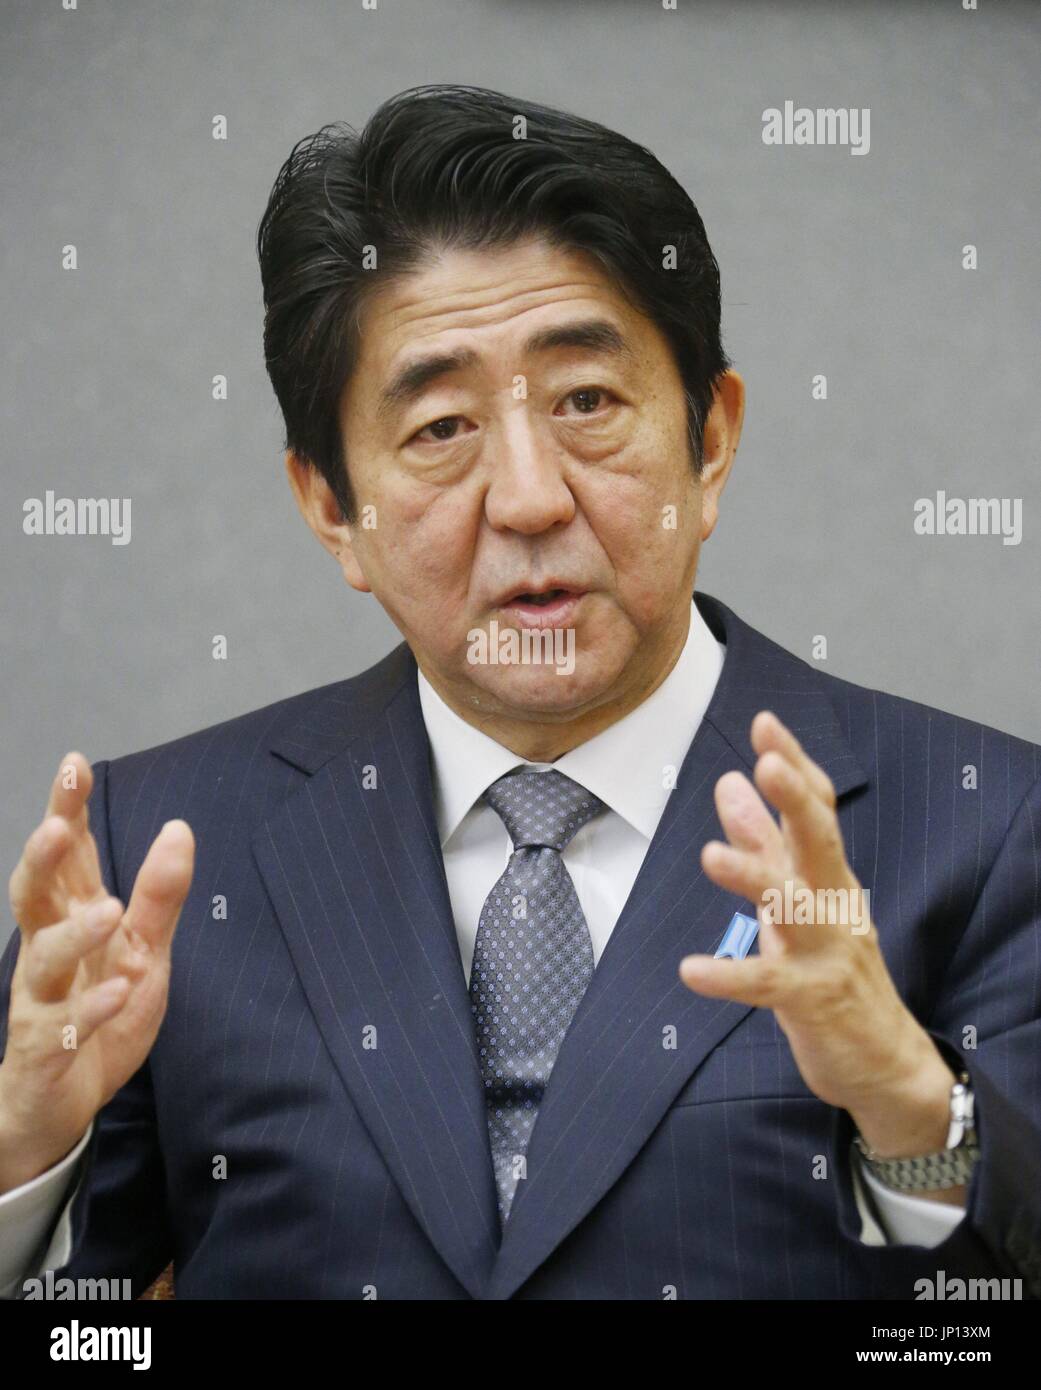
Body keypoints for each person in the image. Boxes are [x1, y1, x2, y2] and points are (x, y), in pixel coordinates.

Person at [1, 84, 1039, 1301]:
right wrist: (25, 1156)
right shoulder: (159, 857)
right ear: (333, 508)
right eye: (440, 427)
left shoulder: (982, 824)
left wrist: (912, 1109)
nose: (530, 496)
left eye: (586, 402)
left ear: (711, 443)